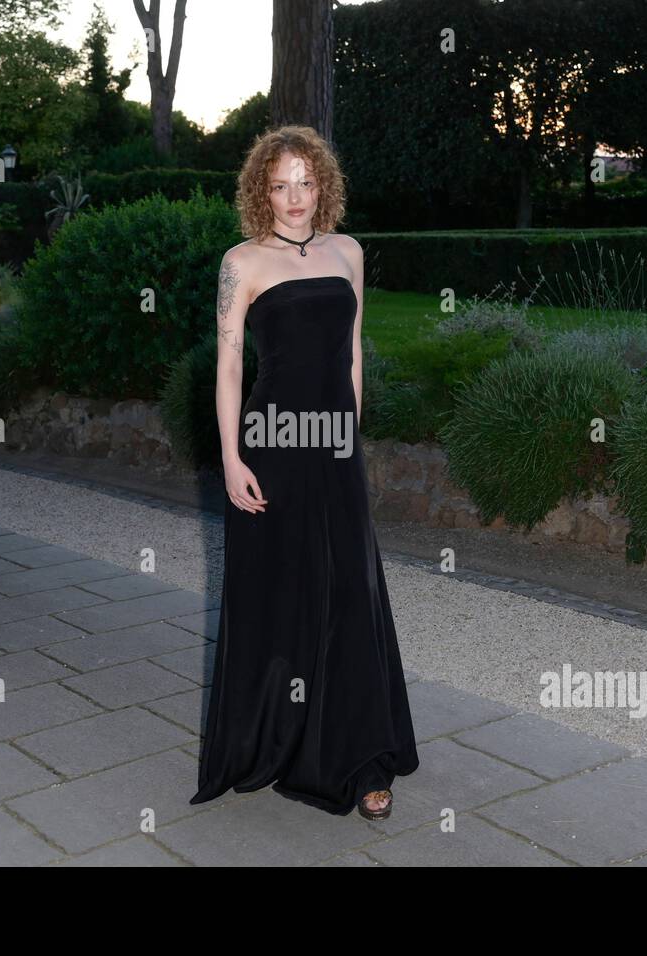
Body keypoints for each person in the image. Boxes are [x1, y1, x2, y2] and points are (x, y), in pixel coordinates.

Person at [188, 125, 420, 820]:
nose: (294, 198)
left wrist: (352, 432)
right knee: (282, 592)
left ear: (325, 185)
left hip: (333, 445)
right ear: (263, 190)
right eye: (280, 185)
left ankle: (361, 758)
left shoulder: (348, 251)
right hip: (272, 444)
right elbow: (229, 366)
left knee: (351, 592)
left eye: (306, 183)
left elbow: (352, 350)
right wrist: (230, 457)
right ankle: (279, 738)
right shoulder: (242, 263)